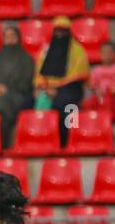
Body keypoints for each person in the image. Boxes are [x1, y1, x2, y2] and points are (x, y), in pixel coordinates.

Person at [36, 16, 91, 146]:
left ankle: (68, 142)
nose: (60, 34)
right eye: (57, 31)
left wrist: (58, 89)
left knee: (68, 106)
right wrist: (46, 88)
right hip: (48, 89)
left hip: (71, 88)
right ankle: (41, 142)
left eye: (63, 31)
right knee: (29, 103)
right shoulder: (45, 51)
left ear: (69, 32)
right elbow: (39, 74)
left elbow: (80, 76)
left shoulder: (78, 51)